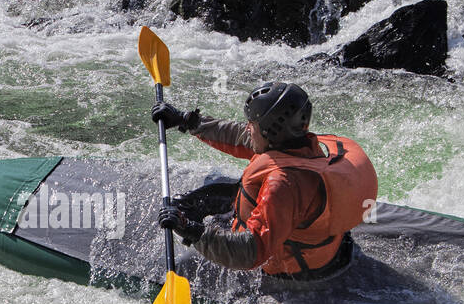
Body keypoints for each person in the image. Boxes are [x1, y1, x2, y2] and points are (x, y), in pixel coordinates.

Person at [153, 81, 378, 278]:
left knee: (188, 251)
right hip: (322, 242)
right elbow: (242, 136)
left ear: (270, 132)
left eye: (253, 124)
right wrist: (189, 121)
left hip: (295, 270)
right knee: (222, 193)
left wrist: (191, 231)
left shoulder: (284, 184)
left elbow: (251, 251)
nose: (248, 128)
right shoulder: (306, 146)